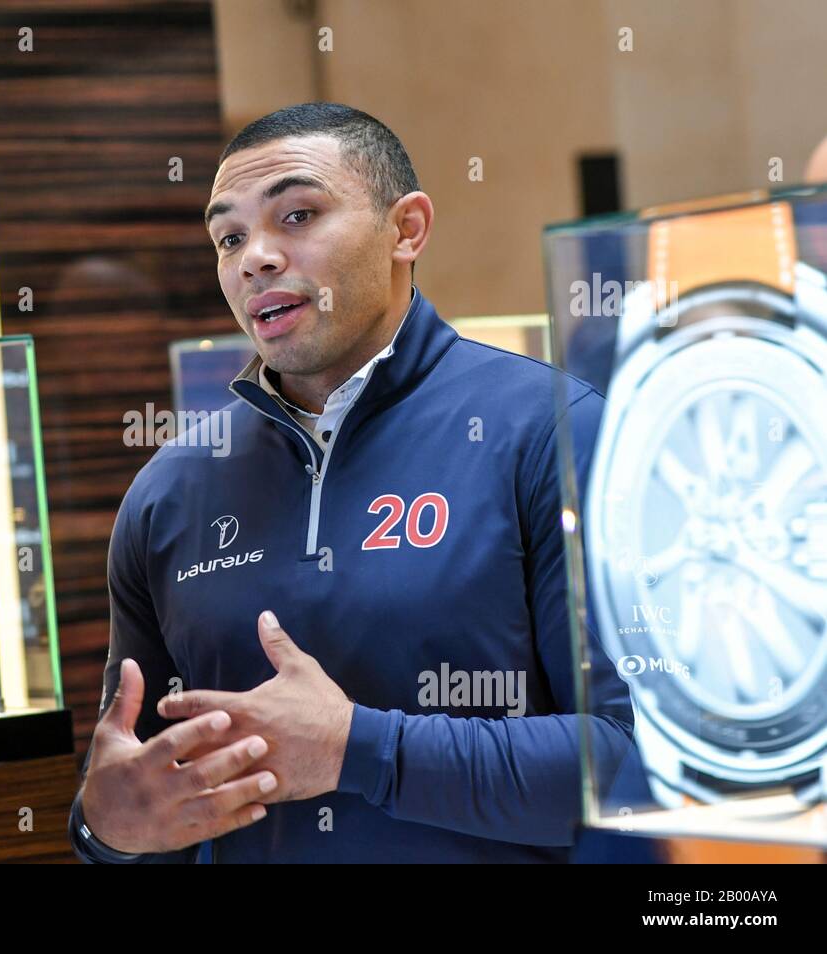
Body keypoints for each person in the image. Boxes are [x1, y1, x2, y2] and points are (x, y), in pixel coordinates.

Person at [69, 102, 636, 862]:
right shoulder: (169, 491)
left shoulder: (555, 429)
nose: (255, 258)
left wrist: (359, 749)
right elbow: (141, 793)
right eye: (229, 237)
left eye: (297, 215)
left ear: (408, 229)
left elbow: (637, 765)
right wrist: (106, 834)